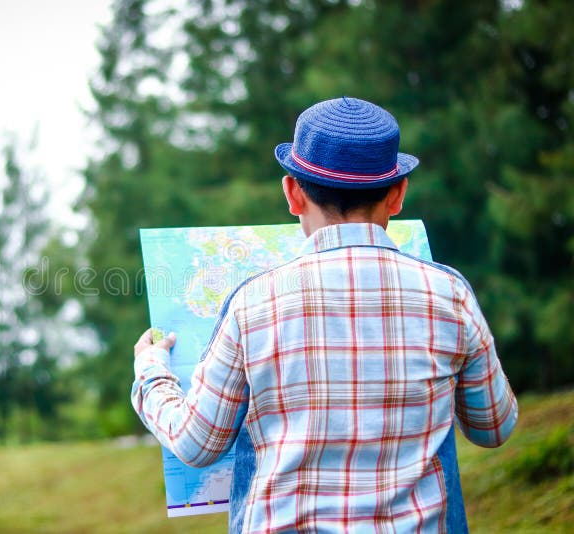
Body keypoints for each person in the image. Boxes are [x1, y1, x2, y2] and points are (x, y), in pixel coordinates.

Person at [131, 97, 518, 533]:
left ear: (293, 193)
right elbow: (493, 427)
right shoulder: (451, 295)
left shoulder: (252, 303)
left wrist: (151, 371)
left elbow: (196, 443)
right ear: (397, 195)